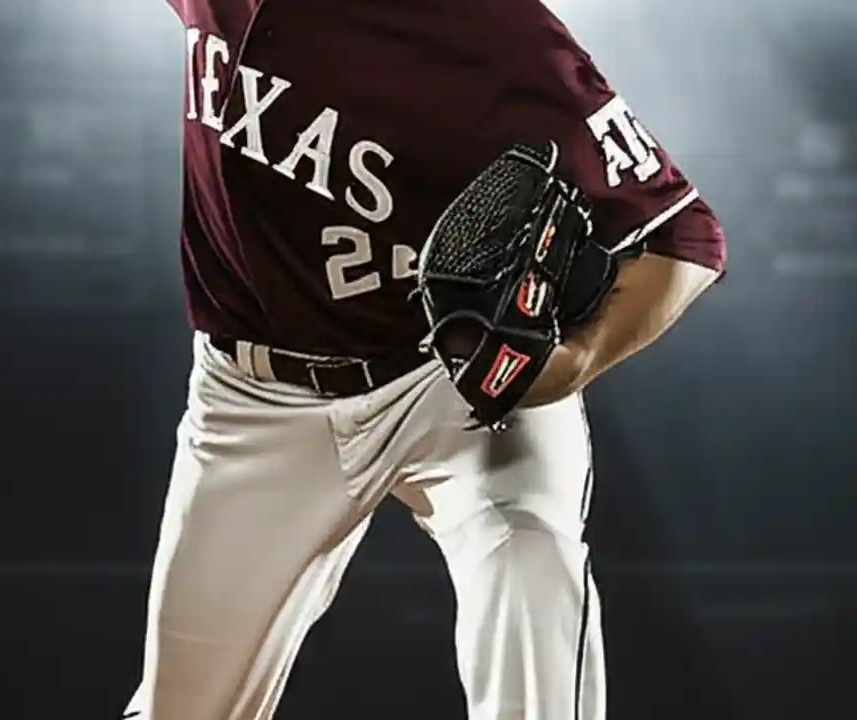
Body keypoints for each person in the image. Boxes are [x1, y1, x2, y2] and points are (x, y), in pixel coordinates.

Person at [123, 0, 727, 717]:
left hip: (445, 380)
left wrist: (574, 359)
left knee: (530, 558)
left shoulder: (494, 30)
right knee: (180, 706)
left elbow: (685, 240)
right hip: (255, 400)